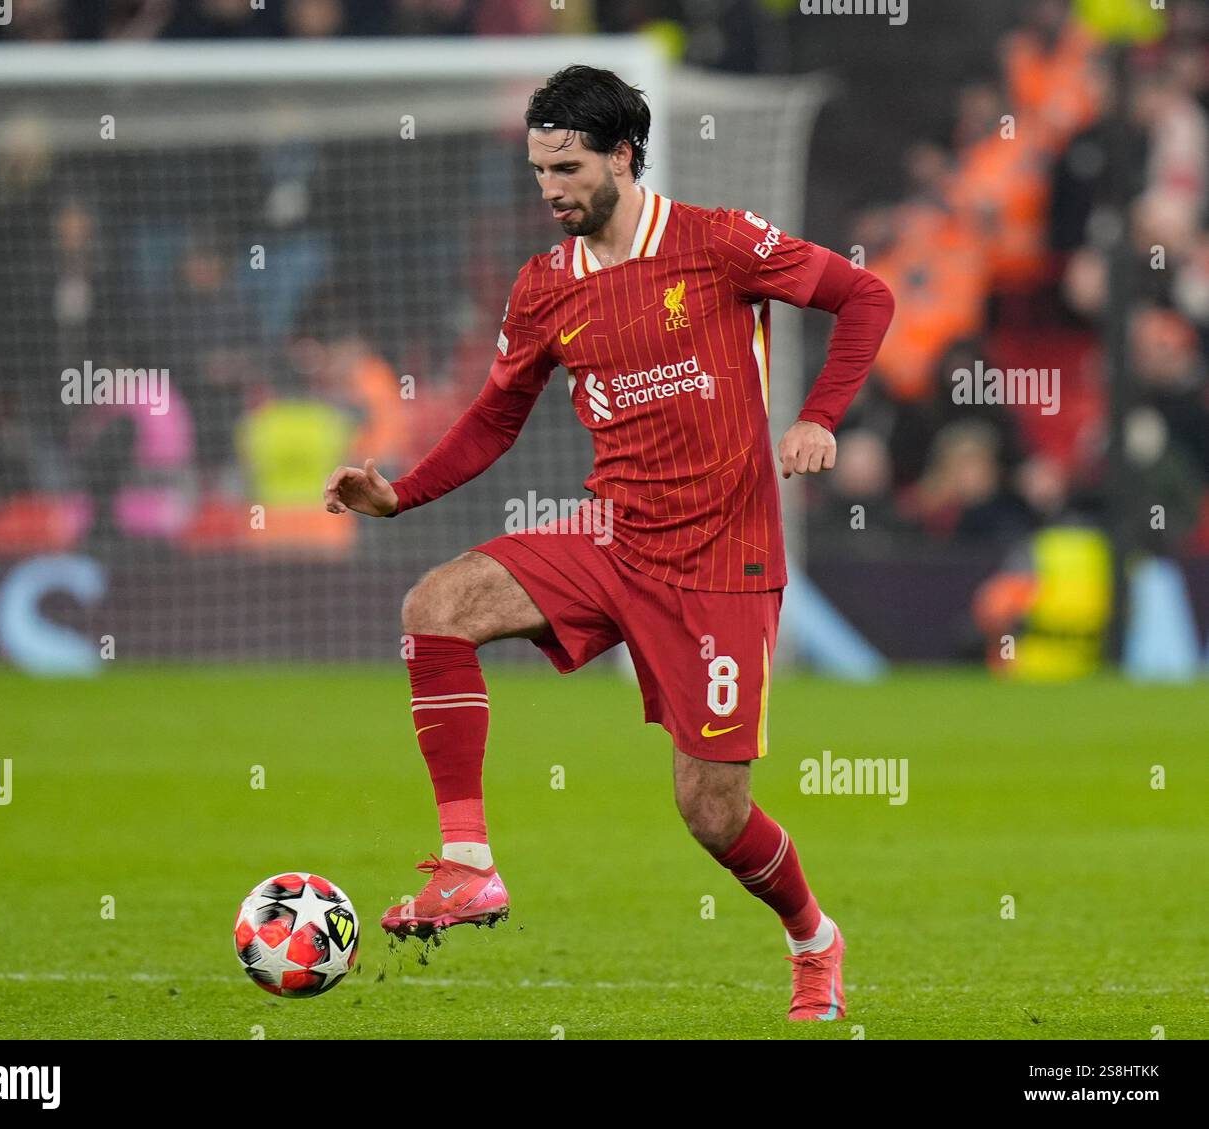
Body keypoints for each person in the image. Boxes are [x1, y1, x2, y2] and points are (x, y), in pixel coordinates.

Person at [323, 65, 894, 1022]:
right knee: (435, 607)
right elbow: (495, 417)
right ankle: (467, 863)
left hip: (723, 560)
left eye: (567, 166)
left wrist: (818, 416)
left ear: (623, 157)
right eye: (539, 168)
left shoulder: (718, 242)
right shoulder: (544, 287)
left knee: (711, 812)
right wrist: (402, 493)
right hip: (613, 536)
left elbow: (865, 297)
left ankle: (813, 939)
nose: (549, 188)